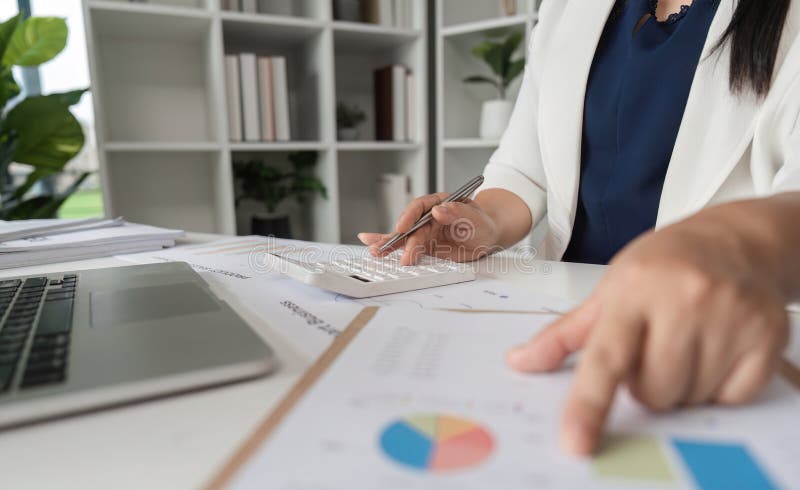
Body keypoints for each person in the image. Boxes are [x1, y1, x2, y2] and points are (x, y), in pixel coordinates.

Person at [358, 0, 800, 456]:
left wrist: (727, 247)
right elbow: (522, 170)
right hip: (561, 320)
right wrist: (481, 221)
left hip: (710, 338)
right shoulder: (567, 8)